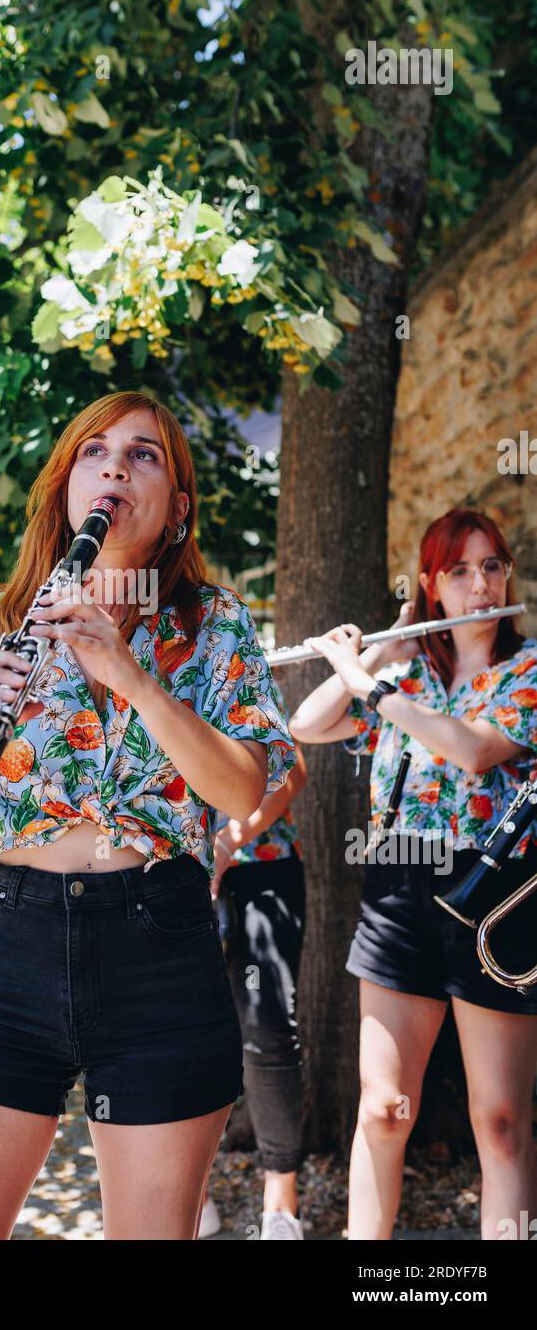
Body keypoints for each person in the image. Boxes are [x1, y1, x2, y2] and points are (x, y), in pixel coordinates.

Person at [0, 390, 296, 1240]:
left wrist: (137, 681)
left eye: (144, 454)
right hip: (1, 941)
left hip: (158, 942)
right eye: (94, 451)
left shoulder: (213, 625)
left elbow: (242, 791)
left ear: (176, 508)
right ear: (67, 486)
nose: (115, 466)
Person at [289, 508, 537, 1240]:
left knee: (500, 1121)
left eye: (491, 566)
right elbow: (307, 722)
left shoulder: (528, 671)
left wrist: (371, 689)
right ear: (431, 584)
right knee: (384, 1107)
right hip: (398, 893)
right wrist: (371, 654)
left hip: (495, 900)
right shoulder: (403, 672)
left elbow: (474, 752)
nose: (480, 584)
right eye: (458, 571)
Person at [200, 736, 308, 1241]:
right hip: (159, 871)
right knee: (169, 1034)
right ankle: (191, 1194)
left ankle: (281, 1203)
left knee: (266, 1030)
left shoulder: (238, 656)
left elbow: (292, 773)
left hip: (260, 868)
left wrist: (224, 846)